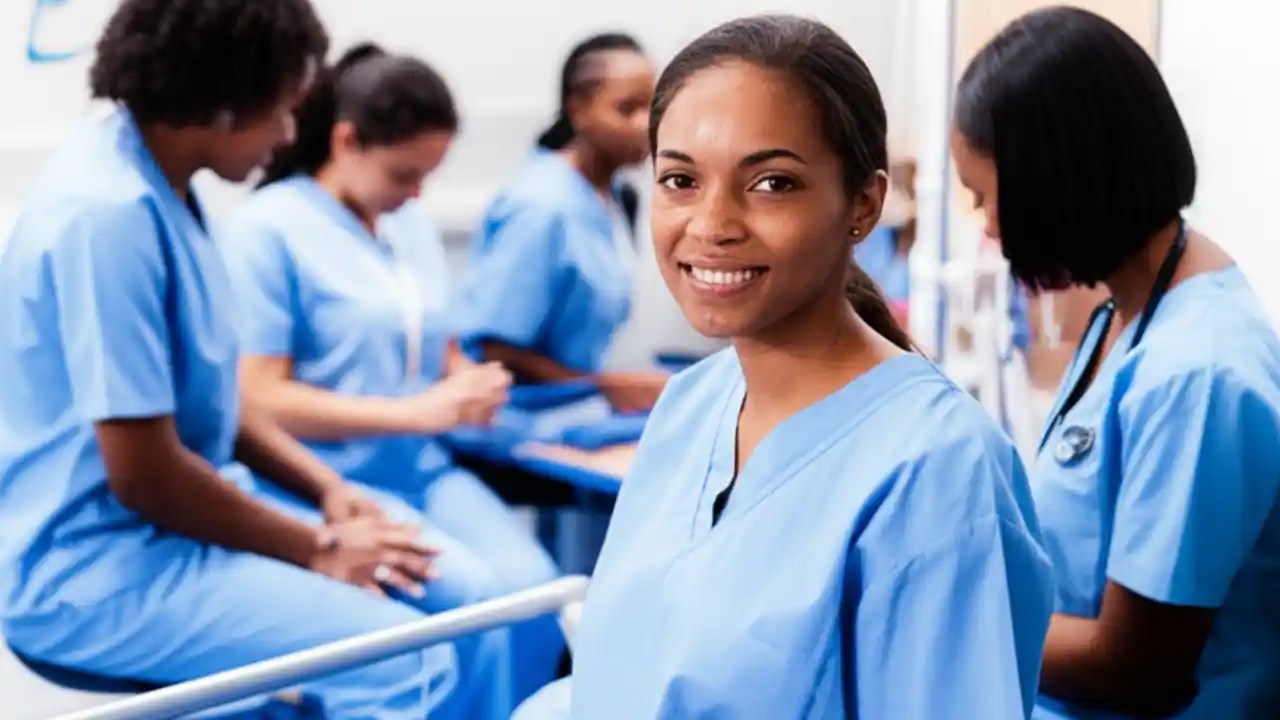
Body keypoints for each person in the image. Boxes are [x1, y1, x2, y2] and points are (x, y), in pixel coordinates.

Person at [514, 14, 1054, 719]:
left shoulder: (935, 470)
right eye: (680, 179)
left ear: (863, 203)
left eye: (771, 183)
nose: (711, 225)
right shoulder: (690, 405)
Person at [0, 3, 497, 718]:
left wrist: (327, 490)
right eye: (283, 112)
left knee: (465, 604)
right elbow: (145, 477)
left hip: (177, 522)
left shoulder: (166, 186)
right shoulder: (106, 217)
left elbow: (215, 405)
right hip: (95, 568)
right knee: (409, 661)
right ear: (223, 98)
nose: (292, 135)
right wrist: (319, 546)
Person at [953, 7, 1280, 718]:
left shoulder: (1199, 372)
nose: (987, 226)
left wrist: (951, 619)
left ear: (1053, 176)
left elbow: (1135, 666)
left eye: (985, 196)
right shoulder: (1124, 314)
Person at [219, 43, 562, 707]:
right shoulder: (267, 232)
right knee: (475, 602)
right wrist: (420, 412)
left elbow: (439, 343)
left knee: (536, 589)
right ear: (345, 141)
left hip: (421, 470)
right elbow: (257, 396)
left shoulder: (406, 226)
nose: (417, 193)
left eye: (428, 176)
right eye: (405, 173)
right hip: (325, 481)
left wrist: (470, 380)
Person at [456, 33, 666, 413]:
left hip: (577, 408)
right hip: (520, 420)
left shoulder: (616, 194)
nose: (644, 125)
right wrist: (602, 387)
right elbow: (495, 350)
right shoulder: (541, 207)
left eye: (652, 107)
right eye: (627, 108)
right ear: (578, 110)